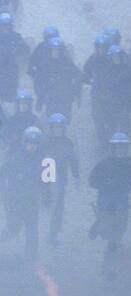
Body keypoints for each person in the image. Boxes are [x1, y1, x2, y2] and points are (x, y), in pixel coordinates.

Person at [87, 131, 131, 270]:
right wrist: (106, 183)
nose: (120, 151)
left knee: (121, 226)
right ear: (112, 148)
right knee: (106, 229)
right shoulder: (104, 163)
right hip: (106, 199)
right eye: (117, 147)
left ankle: (113, 244)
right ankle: (100, 224)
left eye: (123, 147)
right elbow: (92, 180)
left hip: (122, 200)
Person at [0, 125, 43, 260]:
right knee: (13, 227)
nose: (32, 146)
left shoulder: (41, 160)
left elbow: (46, 180)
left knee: (32, 230)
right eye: (30, 143)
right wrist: (6, 193)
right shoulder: (16, 158)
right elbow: (2, 173)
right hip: (15, 200)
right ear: (24, 142)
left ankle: (30, 257)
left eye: (35, 144)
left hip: (31, 200)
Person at [92, 45, 131, 149]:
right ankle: (110, 147)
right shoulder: (104, 71)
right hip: (109, 104)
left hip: (124, 104)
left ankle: (124, 146)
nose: (117, 58)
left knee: (124, 127)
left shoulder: (128, 70)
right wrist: (100, 101)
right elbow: (99, 87)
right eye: (114, 56)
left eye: (118, 56)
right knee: (110, 127)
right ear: (110, 57)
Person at [41, 112, 76, 245]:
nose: (58, 130)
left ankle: (52, 234)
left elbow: (72, 158)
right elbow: (42, 160)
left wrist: (75, 172)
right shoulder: (46, 142)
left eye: (60, 127)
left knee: (58, 207)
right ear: (51, 128)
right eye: (56, 127)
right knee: (53, 206)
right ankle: (50, 233)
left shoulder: (68, 142)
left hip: (61, 178)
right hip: (48, 177)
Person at [30, 35, 79, 119]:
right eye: (54, 49)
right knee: (51, 120)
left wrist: (73, 92)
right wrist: (40, 98)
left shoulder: (68, 64)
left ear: (62, 51)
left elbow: (78, 76)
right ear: (49, 50)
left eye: (58, 49)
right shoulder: (44, 65)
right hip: (50, 99)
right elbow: (38, 83)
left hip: (65, 99)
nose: (56, 52)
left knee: (65, 120)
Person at [0, 13, 28, 104]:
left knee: (10, 97)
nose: (6, 27)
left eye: (8, 25)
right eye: (4, 25)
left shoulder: (16, 38)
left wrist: (18, 52)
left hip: (11, 72)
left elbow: (25, 50)